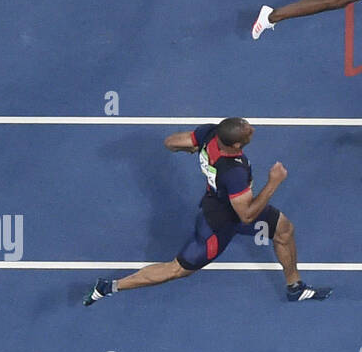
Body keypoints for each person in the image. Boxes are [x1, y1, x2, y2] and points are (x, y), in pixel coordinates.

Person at [82, 117, 331, 306]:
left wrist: (191, 149)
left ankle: (294, 287)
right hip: (219, 225)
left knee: (284, 229)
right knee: (177, 270)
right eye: (248, 132)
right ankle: (110, 287)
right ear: (236, 144)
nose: (252, 129)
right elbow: (246, 215)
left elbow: (170, 143)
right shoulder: (234, 172)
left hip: (227, 204)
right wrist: (274, 182)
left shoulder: (211, 133)